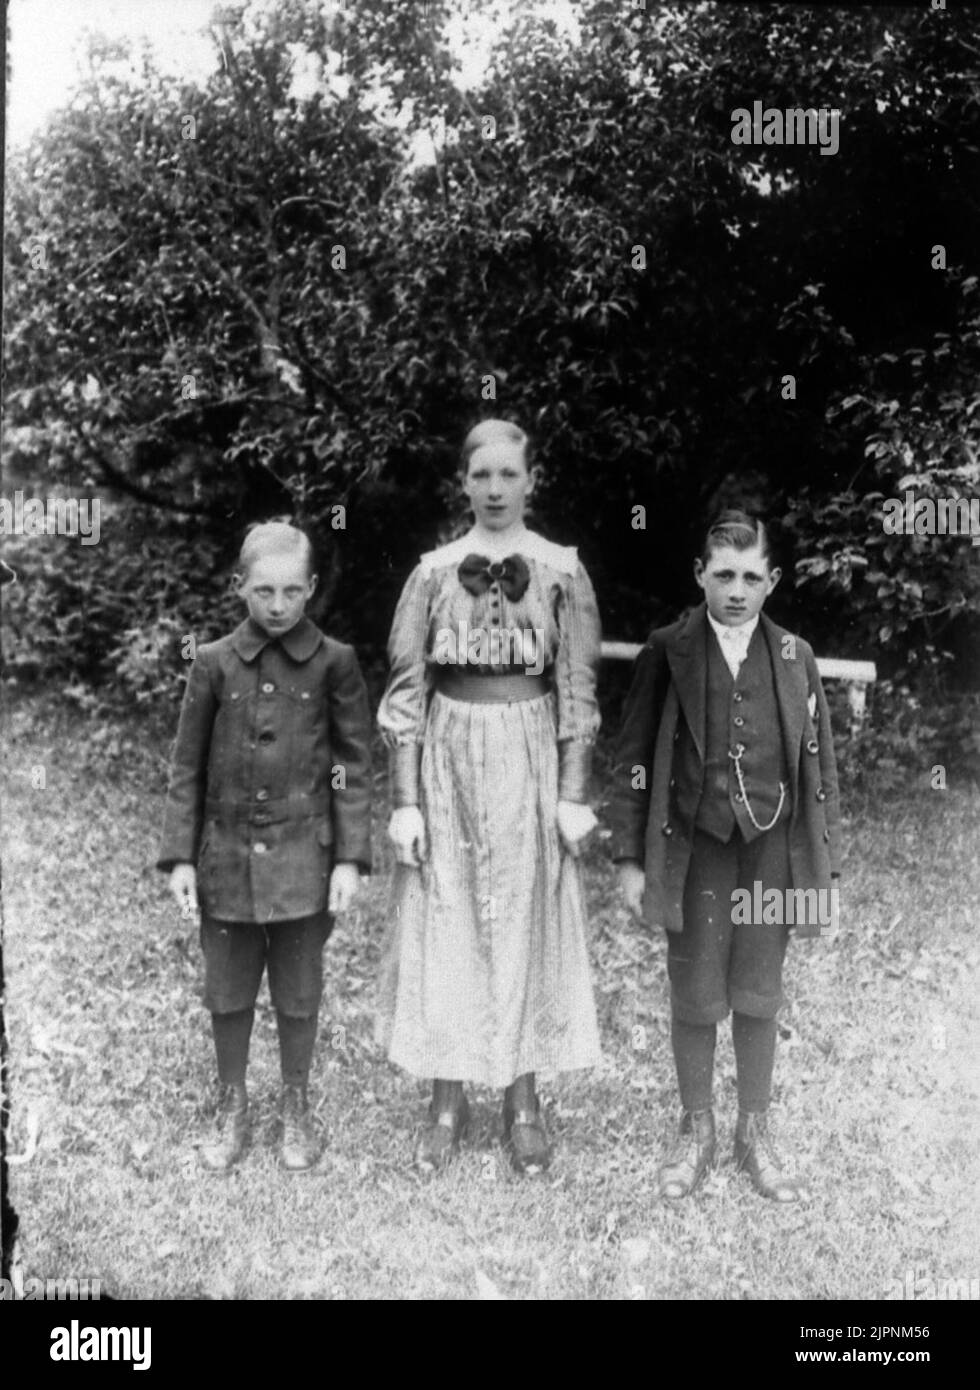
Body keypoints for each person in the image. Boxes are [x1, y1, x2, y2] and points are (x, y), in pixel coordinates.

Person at [376, 419, 602, 1175]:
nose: (497, 490)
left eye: (510, 475)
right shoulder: (434, 571)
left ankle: (523, 1099)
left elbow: (577, 690)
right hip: (448, 754)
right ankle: (447, 1098)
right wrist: (405, 800)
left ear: (531, 481)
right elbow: (407, 691)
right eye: (483, 477)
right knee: (450, 909)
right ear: (464, 483)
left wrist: (573, 792)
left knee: (525, 912)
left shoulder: (561, 569)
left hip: (530, 751)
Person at [610, 509, 841, 1202]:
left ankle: (755, 1130)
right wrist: (628, 857)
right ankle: (696, 1128)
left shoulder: (796, 657)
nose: (736, 590)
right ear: (699, 575)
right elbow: (632, 762)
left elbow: (823, 770)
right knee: (696, 987)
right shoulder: (667, 649)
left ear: (771, 580)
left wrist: (828, 870)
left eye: (750, 576)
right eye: (722, 575)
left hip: (773, 852)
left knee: (760, 987)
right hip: (698, 847)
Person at [158, 521, 372, 1173]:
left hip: (305, 859)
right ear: (239, 588)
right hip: (226, 858)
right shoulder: (214, 662)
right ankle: (232, 1105)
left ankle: (297, 1106)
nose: (277, 606)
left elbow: (352, 763)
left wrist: (348, 857)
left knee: (299, 990)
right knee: (227, 989)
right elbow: (187, 764)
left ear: (310, 588)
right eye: (262, 592)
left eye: (290, 592)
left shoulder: (335, 662)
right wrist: (181, 857)